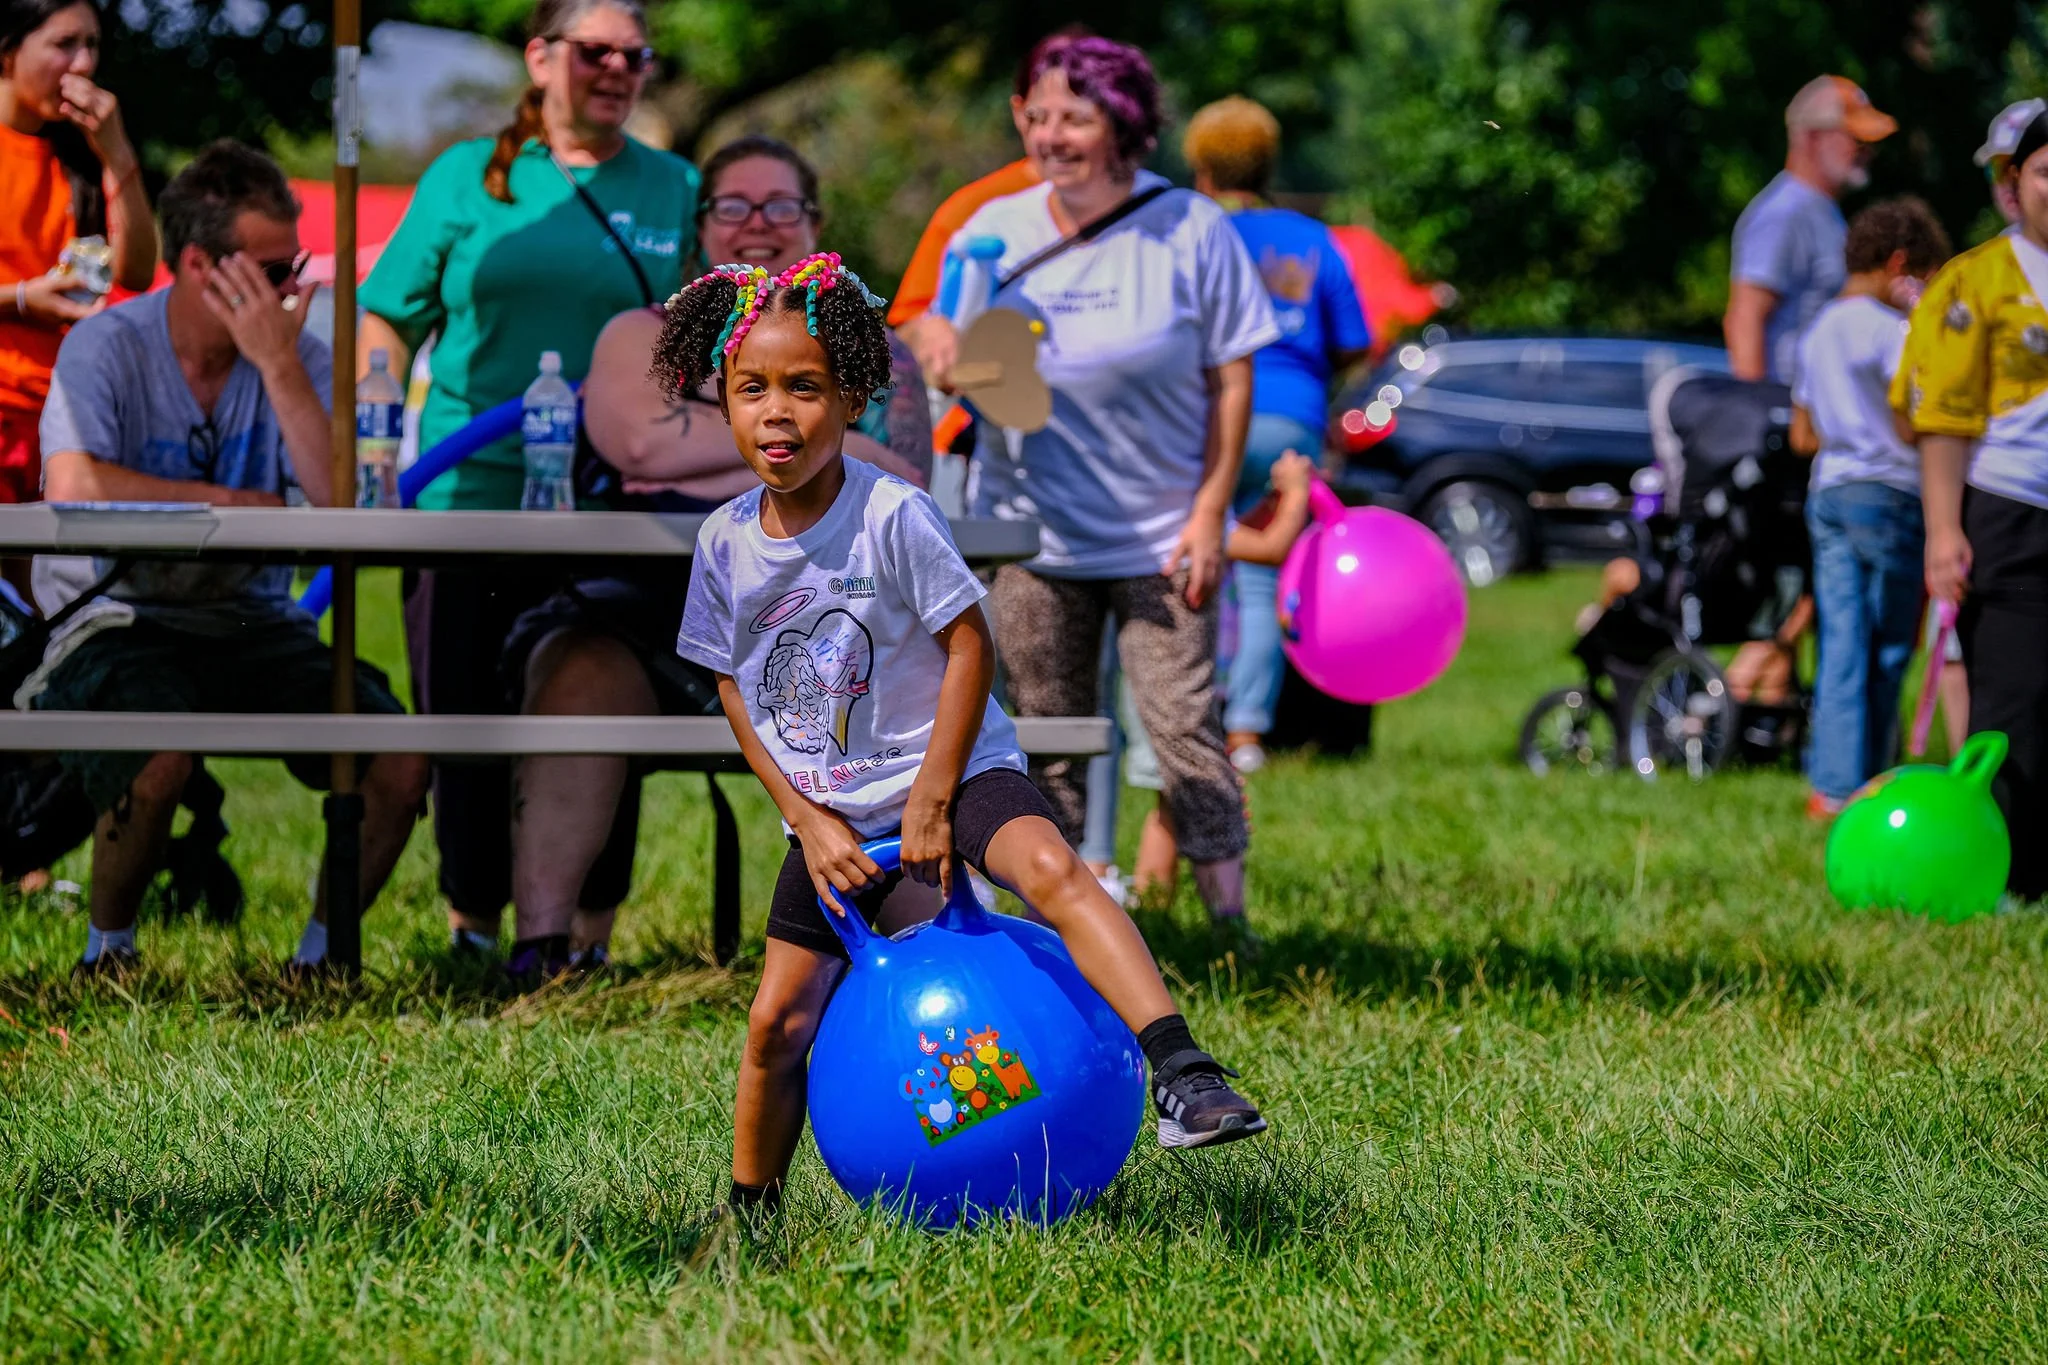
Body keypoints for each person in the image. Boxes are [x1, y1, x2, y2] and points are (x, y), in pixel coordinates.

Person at [655, 256, 1268, 1217]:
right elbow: (731, 683)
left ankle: (1183, 1072)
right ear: (722, 401)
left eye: (804, 387)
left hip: (955, 770)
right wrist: (806, 819)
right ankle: (748, 1217)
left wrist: (937, 797)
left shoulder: (891, 511)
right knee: (775, 1022)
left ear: (851, 396)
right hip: (836, 817)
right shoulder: (725, 540)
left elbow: (970, 642)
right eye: (752, 389)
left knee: (1052, 869)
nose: (778, 412)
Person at [501, 135, 931, 979]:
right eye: (734, 205)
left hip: (840, 622)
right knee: (581, 672)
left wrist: (696, 442)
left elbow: (907, 481)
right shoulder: (641, 334)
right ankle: (542, 956)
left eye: (781, 205)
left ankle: (925, 959)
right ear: (700, 228)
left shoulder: (878, 348)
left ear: (815, 224)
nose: (757, 223)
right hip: (643, 610)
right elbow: (636, 443)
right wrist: (824, 443)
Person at [29, 142, 428, 976]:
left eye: (297, 267)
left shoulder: (301, 359)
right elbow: (74, 482)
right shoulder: (107, 345)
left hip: (253, 622)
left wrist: (279, 365)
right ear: (198, 265)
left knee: (400, 756)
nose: (293, 292)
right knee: (158, 755)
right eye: (273, 271)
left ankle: (319, 966)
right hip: (110, 619)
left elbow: (343, 506)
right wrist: (234, 505)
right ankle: (108, 956)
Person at [357, 0, 697, 964]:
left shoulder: (675, 185)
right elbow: (387, 316)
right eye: (595, 51)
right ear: (540, 58)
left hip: (614, 505)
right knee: (462, 719)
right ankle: (472, 925)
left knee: (598, 708)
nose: (618, 69)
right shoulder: (465, 175)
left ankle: (586, 933)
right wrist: (377, 440)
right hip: (464, 497)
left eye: (636, 55)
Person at [918, 37, 1279, 931]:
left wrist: (1210, 511)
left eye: (1074, 118)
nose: (1050, 136)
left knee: (1183, 728)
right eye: (1036, 116)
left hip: (1163, 533)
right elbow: (932, 326)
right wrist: (936, 340)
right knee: (1044, 733)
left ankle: (1232, 929)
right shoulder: (995, 226)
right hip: (1028, 530)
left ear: (1124, 124)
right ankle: (1057, 924)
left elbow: (1234, 379)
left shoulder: (1189, 228)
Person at [1182, 95, 1370, 773]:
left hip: (1204, 419)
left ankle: (1188, 719)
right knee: (1263, 582)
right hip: (1291, 421)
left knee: (1190, 565)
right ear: (1268, 165)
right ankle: (1248, 735)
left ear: (1202, 168)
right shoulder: (1313, 239)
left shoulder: (1188, 231)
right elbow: (1355, 340)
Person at [1893, 106, 2048, 903]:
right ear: (2015, 183)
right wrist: (1944, 530)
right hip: (2011, 509)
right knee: (2016, 697)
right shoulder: (1973, 282)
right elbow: (1940, 419)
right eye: (2045, 172)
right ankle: (2015, 877)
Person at [1790, 197, 1949, 820]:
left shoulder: (1817, 330)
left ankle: (1830, 787)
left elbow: (1803, 435)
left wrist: (1846, 427)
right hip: (1890, 494)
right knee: (1886, 646)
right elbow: (1912, 424)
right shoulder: (1893, 332)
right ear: (1900, 264)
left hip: (1829, 492)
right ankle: (1874, 782)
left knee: (1840, 642)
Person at [1126, 452, 1315, 902]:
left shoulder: (1183, 519)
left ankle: (1156, 900)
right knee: (1173, 790)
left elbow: (1242, 532)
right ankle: (1153, 898)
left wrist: (1271, 500)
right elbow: (1271, 547)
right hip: (1171, 686)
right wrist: (1297, 494)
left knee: (1172, 794)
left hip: (1179, 682)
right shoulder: (1187, 522)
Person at [1, 0, 154, 510]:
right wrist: (23, 299)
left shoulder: (81, 152)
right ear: (8, 52)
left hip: (61, 424)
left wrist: (117, 151)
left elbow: (137, 271)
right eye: (64, 44)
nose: (84, 64)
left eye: (92, 45)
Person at [1725, 76, 1896, 385]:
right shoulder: (1784, 213)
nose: (1869, 151)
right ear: (1812, 137)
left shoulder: (1822, 210)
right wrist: (1757, 406)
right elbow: (1745, 318)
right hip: (1783, 403)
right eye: (1857, 140)